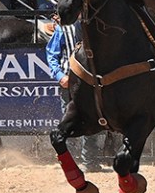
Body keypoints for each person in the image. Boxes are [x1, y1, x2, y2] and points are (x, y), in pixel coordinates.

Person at [46, 20, 109, 172]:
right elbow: (52, 54)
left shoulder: (95, 27)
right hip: (69, 82)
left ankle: (89, 161)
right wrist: (60, 76)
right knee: (69, 120)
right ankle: (73, 161)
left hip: (89, 81)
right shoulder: (63, 30)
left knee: (91, 118)